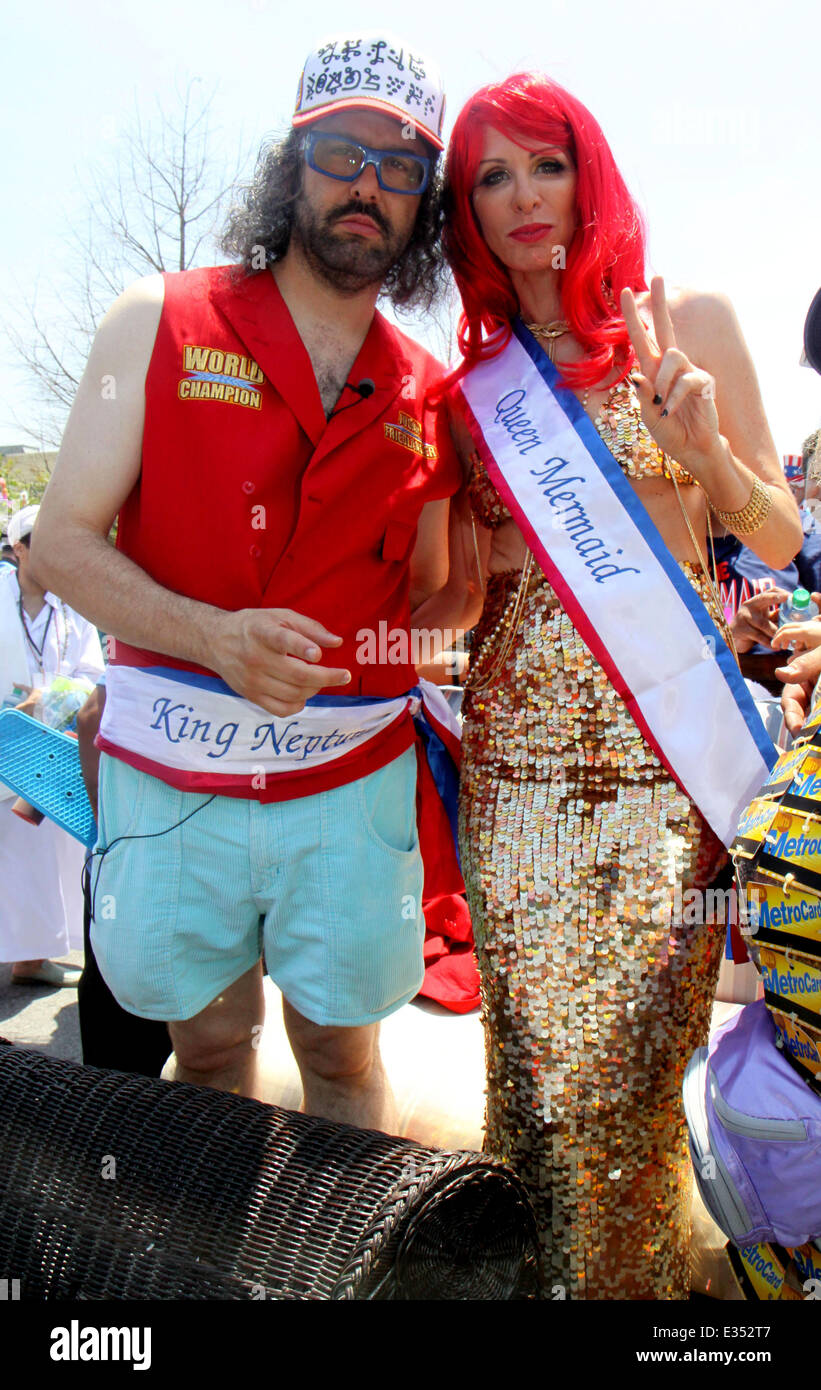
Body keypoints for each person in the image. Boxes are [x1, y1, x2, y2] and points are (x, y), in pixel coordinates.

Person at [413, 72, 803, 1298]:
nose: (524, 197)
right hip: (515, 784)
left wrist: (709, 466)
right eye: (490, 176)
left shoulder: (685, 319)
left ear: (591, 172)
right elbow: (461, 600)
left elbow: (782, 542)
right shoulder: (469, 394)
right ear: (463, 211)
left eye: (547, 162)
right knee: (530, 1072)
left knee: (624, 1092)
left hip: (661, 773)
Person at [31, 34, 460, 1127]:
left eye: (400, 168)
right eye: (342, 152)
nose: (367, 184)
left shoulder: (428, 391)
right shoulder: (157, 317)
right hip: (174, 779)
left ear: (423, 207)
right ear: (292, 160)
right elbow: (62, 544)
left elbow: (436, 596)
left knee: (342, 1054)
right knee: (214, 1050)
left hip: (349, 787)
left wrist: (446, 621)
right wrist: (213, 636)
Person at [0, 505, 105, 985]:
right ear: (18, 549)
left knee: (47, 852)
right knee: (11, 850)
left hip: (51, 741)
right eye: (35, 542)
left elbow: (93, 677)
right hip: (7, 737)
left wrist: (50, 697)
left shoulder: (75, 606)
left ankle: (32, 955)